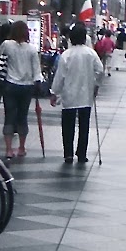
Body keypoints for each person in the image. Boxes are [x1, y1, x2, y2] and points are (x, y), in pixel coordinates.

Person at [50, 24, 104, 165]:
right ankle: (81, 153)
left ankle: (68, 153)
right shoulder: (91, 53)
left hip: (69, 94)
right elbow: (100, 70)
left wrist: (54, 92)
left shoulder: (66, 54)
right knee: (84, 125)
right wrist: (96, 84)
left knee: (68, 125)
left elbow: (60, 76)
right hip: (86, 94)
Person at [0, 20, 42, 159]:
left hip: (10, 84)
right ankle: (22, 148)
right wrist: (38, 85)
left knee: (9, 116)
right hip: (27, 87)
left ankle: (8, 149)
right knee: (22, 117)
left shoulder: (7, 45)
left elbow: (0, 59)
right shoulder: (31, 49)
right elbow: (36, 70)